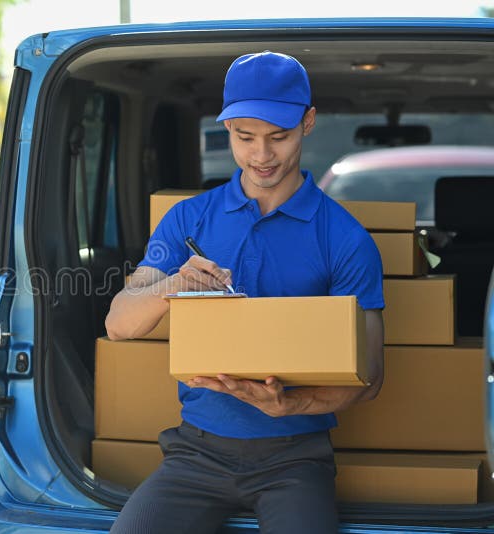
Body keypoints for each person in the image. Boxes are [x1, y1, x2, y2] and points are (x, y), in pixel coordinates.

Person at [105, 51, 385, 534]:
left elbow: (373, 376)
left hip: (295, 460)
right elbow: (118, 324)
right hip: (195, 453)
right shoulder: (188, 219)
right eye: (244, 137)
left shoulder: (344, 238)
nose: (261, 156)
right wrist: (174, 284)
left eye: (279, 137)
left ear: (308, 122)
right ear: (227, 128)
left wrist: (290, 405)